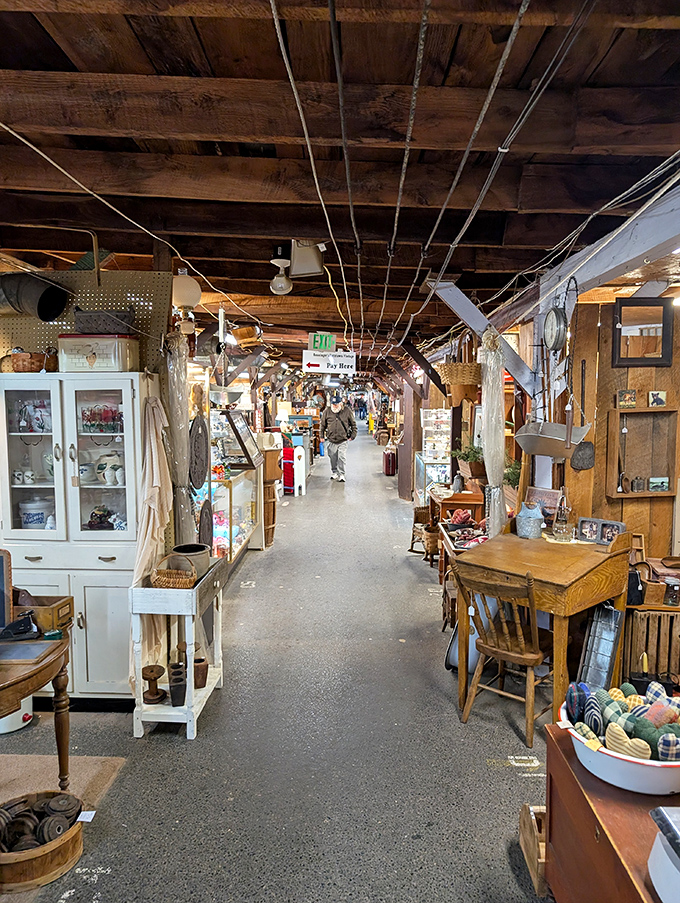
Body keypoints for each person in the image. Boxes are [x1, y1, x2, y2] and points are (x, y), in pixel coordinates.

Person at [320, 394, 357, 482]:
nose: (334, 406)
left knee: (341, 457)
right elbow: (322, 425)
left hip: (343, 439)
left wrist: (353, 435)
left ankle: (342, 474)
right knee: (332, 457)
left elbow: (353, 424)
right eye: (333, 404)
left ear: (341, 404)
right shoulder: (327, 411)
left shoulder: (347, 411)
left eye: (336, 404)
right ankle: (334, 472)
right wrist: (321, 436)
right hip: (331, 439)